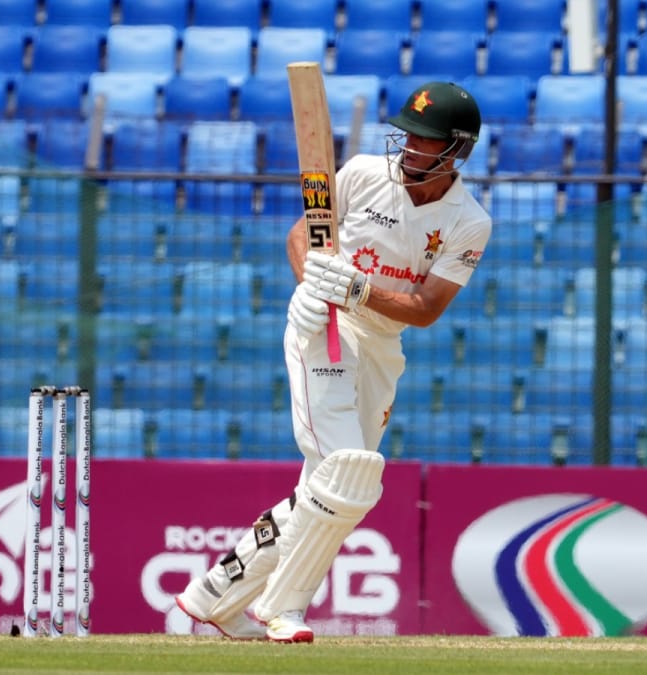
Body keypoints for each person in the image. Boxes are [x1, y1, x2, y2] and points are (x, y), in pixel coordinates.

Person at [176, 81, 489, 643]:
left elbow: (426, 310)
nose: (409, 146)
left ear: (455, 150)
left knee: (327, 485)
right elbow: (303, 236)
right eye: (408, 134)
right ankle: (283, 608)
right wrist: (315, 281)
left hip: (379, 341)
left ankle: (216, 595)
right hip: (322, 323)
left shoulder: (469, 221)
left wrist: (361, 292)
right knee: (350, 467)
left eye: (424, 140)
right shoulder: (363, 173)